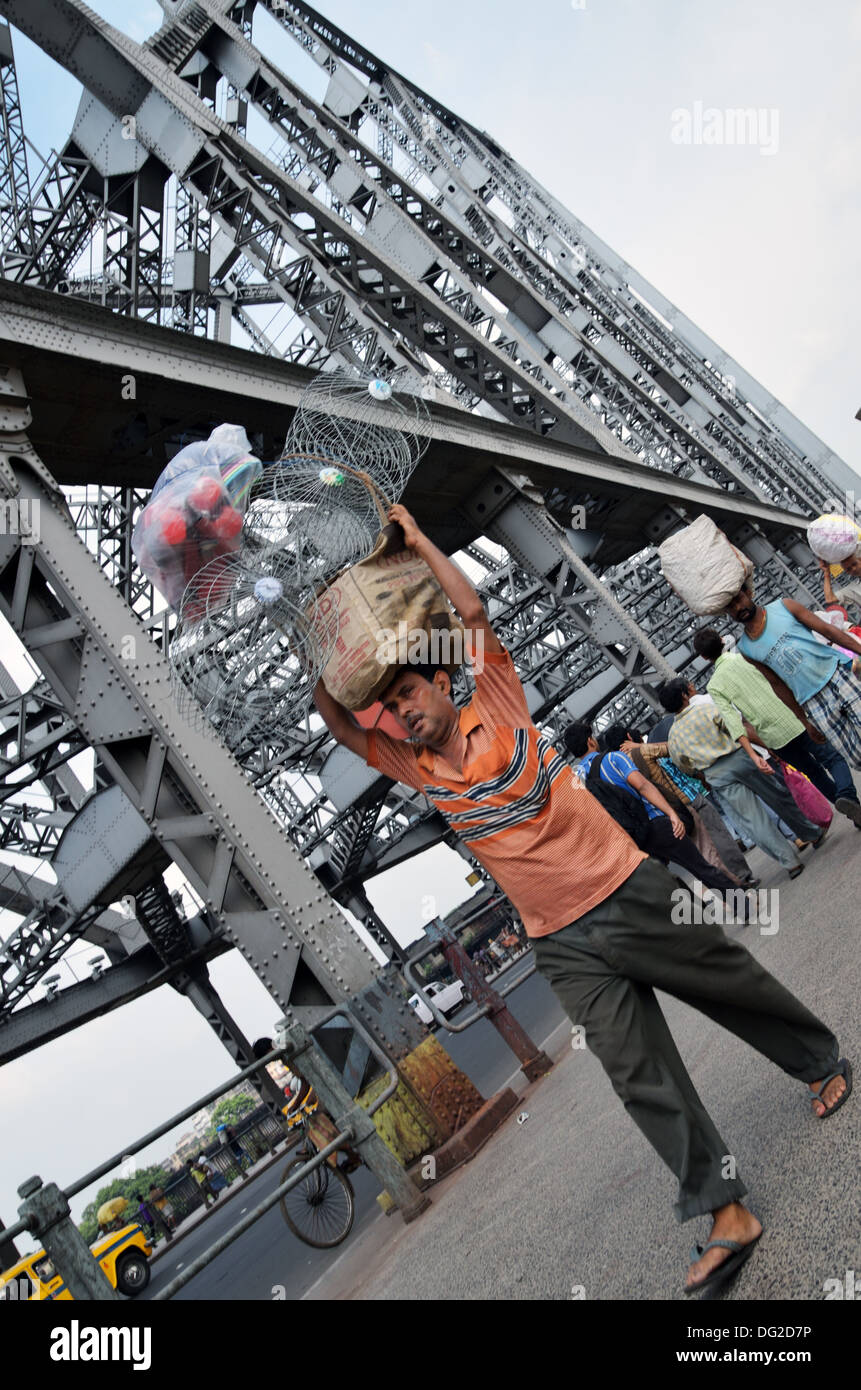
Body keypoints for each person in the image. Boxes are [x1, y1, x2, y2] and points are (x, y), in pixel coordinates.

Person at [314, 502, 853, 1296]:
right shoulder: (415, 768)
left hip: (626, 887)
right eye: (390, 710)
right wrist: (321, 636)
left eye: (408, 697)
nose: (400, 714)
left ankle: (817, 1059)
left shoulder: (494, 702)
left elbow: (469, 611)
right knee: (636, 1072)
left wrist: (417, 541)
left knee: (725, 984)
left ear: (439, 679)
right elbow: (335, 718)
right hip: (559, 942)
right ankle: (722, 1210)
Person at [562, 722, 748, 911]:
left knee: (667, 887)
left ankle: (698, 923)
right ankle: (743, 906)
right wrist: (671, 814)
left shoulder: (576, 782)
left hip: (632, 843)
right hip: (656, 824)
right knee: (700, 867)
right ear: (589, 741)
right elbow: (643, 786)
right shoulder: (613, 759)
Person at [692, 626, 861, 826]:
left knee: (813, 772)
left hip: (773, 738)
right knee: (833, 758)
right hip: (795, 719)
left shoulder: (714, 686)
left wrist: (755, 755)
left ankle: (854, 812)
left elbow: (734, 722)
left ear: (703, 657)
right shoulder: (748, 658)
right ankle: (847, 794)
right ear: (722, 640)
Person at [725, 581, 861, 825]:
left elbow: (828, 630)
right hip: (812, 702)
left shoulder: (784, 607)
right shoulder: (745, 649)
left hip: (835, 675)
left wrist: (859, 649)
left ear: (748, 593)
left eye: (738, 599)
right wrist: (804, 720)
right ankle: (849, 800)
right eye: (731, 607)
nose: (738, 608)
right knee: (855, 756)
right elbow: (778, 685)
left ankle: (847, 797)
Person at [662, 680, 824, 878]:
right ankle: (811, 833)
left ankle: (790, 863)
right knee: (779, 797)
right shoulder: (705, 710)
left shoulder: (674, 736)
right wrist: (761, 750)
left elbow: (683, 765)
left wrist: (701, 774)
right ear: (684, 696)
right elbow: (737, 729)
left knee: (753, 820)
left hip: (715, 775)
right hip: (740, 759)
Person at [602, 720, 756, 887]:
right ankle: (739, 881)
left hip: (663, 817)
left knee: (699, 855)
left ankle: (729, 885)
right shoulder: (642, 750)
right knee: (716, 842)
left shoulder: (615, 768)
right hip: (684, 801)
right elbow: (674, 747)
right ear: (628, 737)